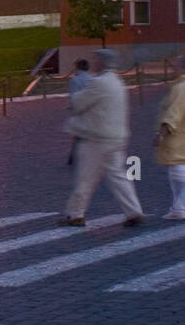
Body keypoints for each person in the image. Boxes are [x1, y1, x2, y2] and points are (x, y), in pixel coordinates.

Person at [60, 48, 145, 227]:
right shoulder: (118, 82)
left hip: (96, 138)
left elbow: (78, 104)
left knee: (85, 178)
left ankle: (75, 215)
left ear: (103, 62)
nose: (94, 62)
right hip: (116, 138)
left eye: (97, 59)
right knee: (119, 177)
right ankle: (133, 211)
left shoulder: (99, 83)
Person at [152, 53, 185, 220]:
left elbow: (173, 114)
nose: (174, 68)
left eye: (177, 65)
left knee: (177, 171)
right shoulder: (179, 86)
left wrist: (161, 133)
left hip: (178, 138)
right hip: (179, 136)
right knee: (176, 172)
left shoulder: (181, 88)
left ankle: (180, 208)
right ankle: (178, 207)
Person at [67, 58, 92, 164]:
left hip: (80, 110)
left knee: (79, 135)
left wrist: (72, 106)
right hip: (91, 110)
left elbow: (74, 96)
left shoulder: (75, 80)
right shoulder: (92, 79)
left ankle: (73, 157)